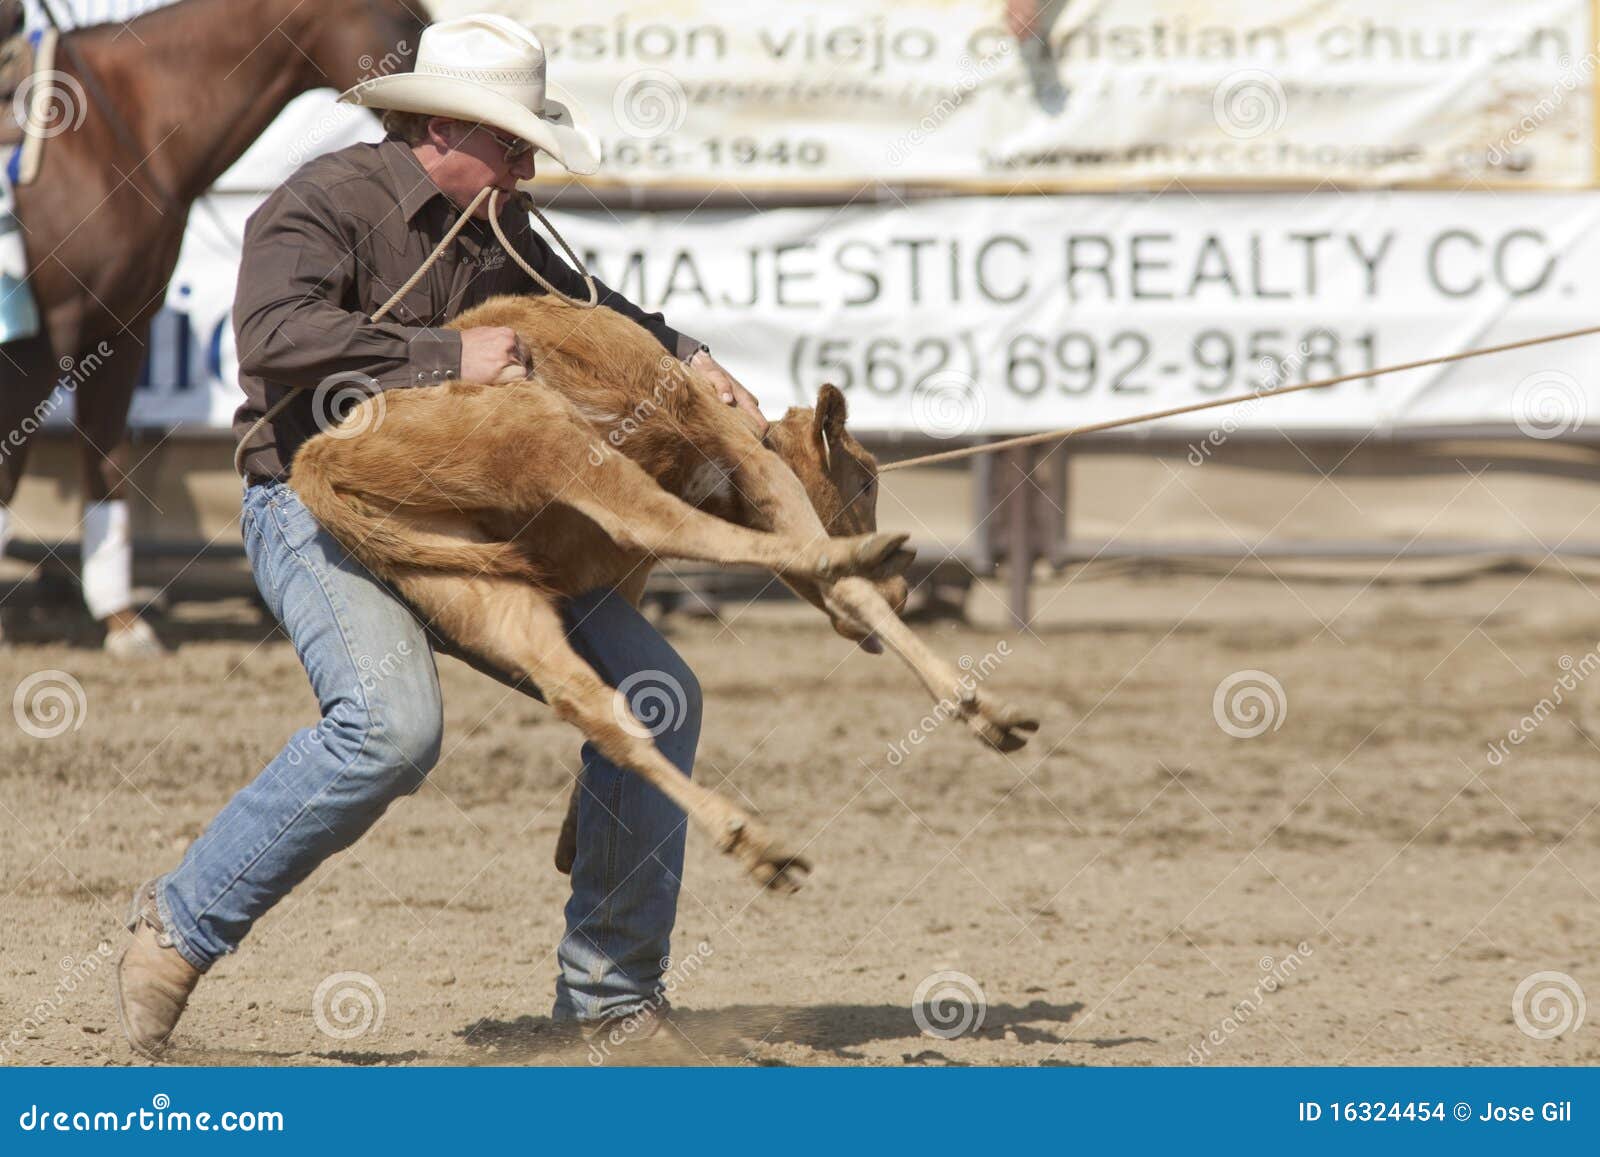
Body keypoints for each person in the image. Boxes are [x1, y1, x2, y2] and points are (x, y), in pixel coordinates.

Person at [114, 12, 765, 1058]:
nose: (525, 169)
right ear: (441, 130)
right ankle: (178, 923)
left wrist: (686, 357)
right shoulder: (320, 203)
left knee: (660, 693)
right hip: (313, 501)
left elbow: (591, 307)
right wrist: (438, 358)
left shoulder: (502, 229)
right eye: (512, 145)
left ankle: (608, 997)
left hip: (464, 514)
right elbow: (274, 337)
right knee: (390, 727)